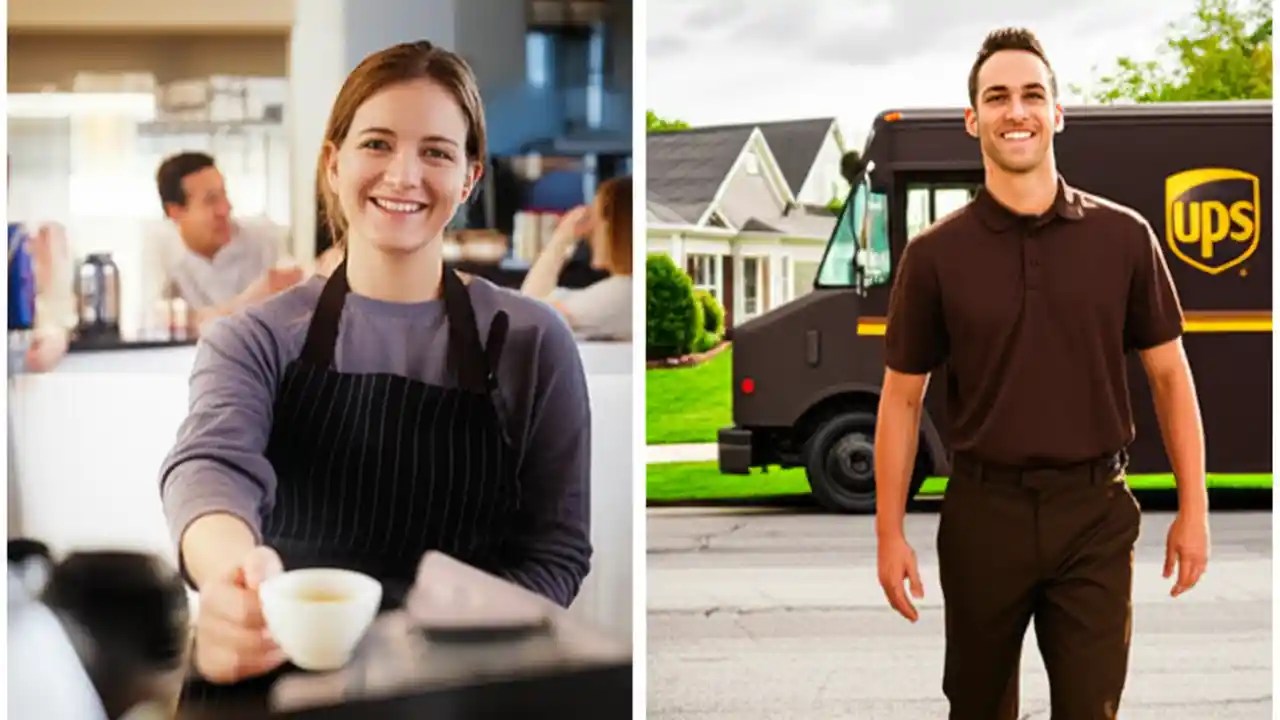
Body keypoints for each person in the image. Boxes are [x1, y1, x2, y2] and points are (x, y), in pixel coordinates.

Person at [158, 40, 593, 705]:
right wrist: (230, 582)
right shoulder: (255, 337)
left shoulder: (532, 341)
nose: (403, 175)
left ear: (469, 177)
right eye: (378, 144)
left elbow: (556, 552)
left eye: (437, 152)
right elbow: (209, 469)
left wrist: (443, 655)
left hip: (467, 685)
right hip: (278, 673)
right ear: (333, 164)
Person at [874, 27, 1209, 720]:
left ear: (1059, 112)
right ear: (974, 120)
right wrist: (888, 532)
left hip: (1094, 514)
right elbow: (902, 402)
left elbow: (1172, 378)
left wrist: (1194, 511)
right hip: (980, 515)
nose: (1015, 110)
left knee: (1091, 709)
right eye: (997, 97)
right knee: (976, 708)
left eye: (1033, 94)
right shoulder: (935, 255)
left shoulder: (1125, 237)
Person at [151, 151, 304, 331]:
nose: (225, 208)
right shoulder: (159, 251)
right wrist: (251, 299)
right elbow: (161, 324)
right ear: (175, 212)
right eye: (211, 200)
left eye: (224, 194)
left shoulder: (264, 239)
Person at [521, 174, 633, 341]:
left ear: (615, 228)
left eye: (594, 219)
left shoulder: (622, 292)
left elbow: (528, 310)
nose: (589, 232)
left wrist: (561, 238)